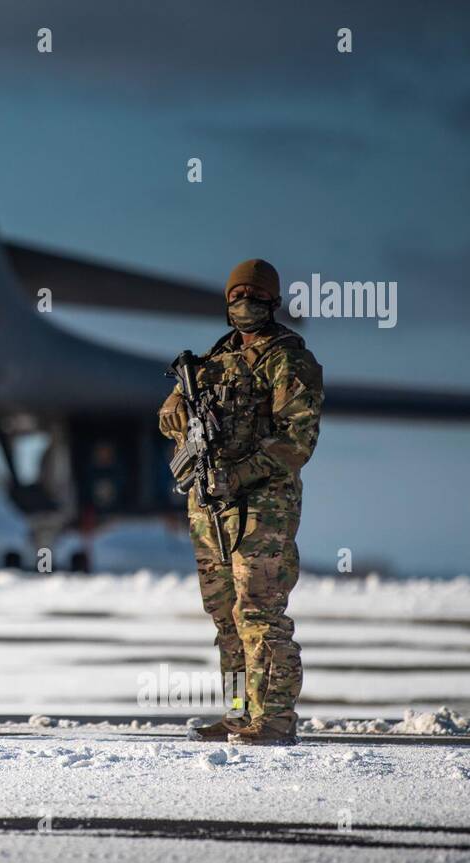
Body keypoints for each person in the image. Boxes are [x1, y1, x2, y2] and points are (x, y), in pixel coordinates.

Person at [158, 259, 324, 745]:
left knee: (259, 612)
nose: (243, 303)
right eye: (235, 295)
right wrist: (176, 411)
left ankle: (273, 719)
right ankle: (237, 711)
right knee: (225, 616)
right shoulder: (211, 362)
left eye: (253, 294)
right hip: (211, 503)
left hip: (263, 507)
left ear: (272, 301)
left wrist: (238, 473)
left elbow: (297, 442)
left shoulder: (289, 360)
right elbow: (171, 415)